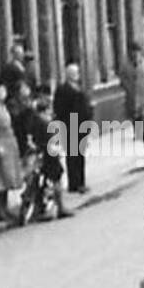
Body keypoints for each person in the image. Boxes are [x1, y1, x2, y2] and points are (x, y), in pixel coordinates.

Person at [52, 63, 91, 193]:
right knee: (73, 155)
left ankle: (80, 181)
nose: (77, 75)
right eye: (75, 73)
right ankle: (75, 183)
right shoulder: (63, 90)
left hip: (81, 126)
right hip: (71, 125)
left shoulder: (78, 88)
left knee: (80, 155)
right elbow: (59, 109)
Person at [120, 41, 144, 141]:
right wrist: (127, 86)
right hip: (131, 94)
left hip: (143, 92)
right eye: (133, 52)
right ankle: (137, 132)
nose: (135, 54)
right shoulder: (125, 65)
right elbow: (122, 77)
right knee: (134, 115)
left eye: (137, 52)